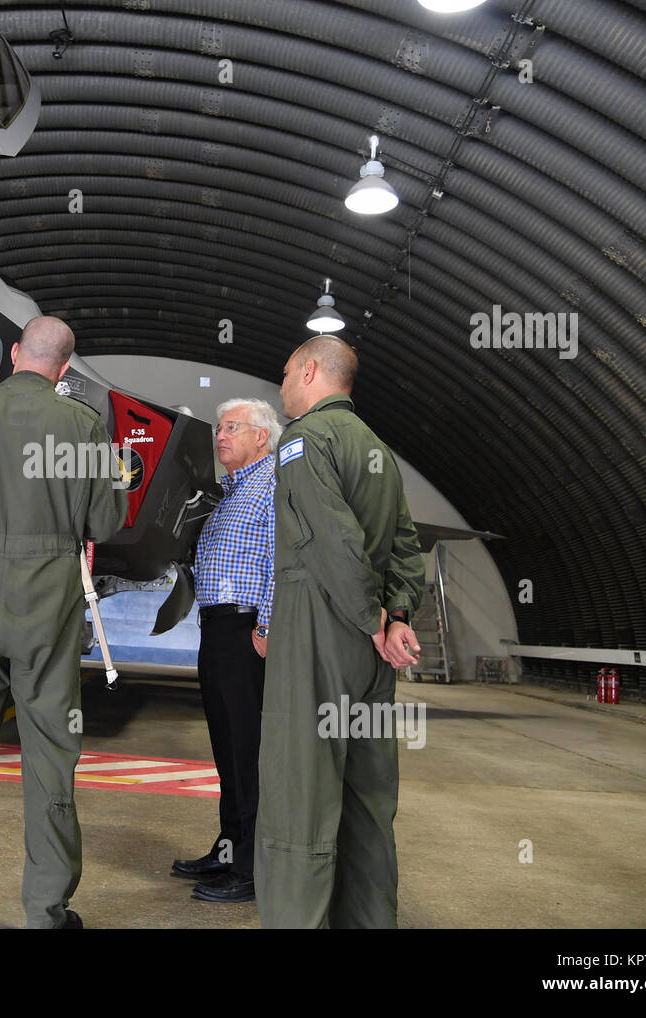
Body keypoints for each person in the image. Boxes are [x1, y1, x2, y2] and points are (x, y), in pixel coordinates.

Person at [0, 315, 128, 930]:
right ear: (66, 368)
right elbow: (107, 525)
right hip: (50, 603)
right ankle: (46, 910)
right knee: (50, 756)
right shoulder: (84, 426)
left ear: (14, 354)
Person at [255, 334, 426, 928]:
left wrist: (371, 618)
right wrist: (396, 617)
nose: (279, 388)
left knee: (299, 791)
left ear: (308, 370)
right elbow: (406, 546)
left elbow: (332, 542)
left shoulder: (303, 442)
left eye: (283, 373)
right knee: (368, 797)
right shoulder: (379, 451)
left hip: (319, 629)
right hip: (372, 651)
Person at [171, 398, 278, 904]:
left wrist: (268, 628)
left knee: (246, 751)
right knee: (226, 748)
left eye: (232, 427)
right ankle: (229, 849)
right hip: (217, 630)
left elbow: (287, 559)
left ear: (262, 436)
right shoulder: (231, 492)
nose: (220, 434)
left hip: (245, 633)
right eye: (219, 426)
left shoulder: (273, 487)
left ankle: (251, 869)